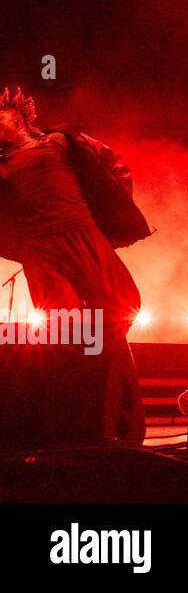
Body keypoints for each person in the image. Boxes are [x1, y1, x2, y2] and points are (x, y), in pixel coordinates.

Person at [0, 87, 150, 445]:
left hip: (83, 236)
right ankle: (75, 415)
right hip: (42, 252)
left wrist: (110, 219)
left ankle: (116, 398)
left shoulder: (61, 142)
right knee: (65, 330)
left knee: (121, 308)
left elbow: (114, 166)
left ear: (16, 117)